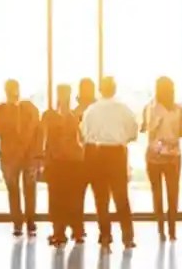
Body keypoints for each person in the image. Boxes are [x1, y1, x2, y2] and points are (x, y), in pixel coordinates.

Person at [80, 76, 137, 250]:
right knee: (121, 196)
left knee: (101, 198)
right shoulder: (123, 109)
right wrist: (122, 140)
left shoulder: (91, 110)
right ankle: (127, 237)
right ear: (115, 88)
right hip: (116, 153)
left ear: (100, 90)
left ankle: (105, 236)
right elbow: (133, 131)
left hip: (95, 153)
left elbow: (84, 133)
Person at [0, 79, 42, 237]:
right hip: (10, 157)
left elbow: (39, 133)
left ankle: (27, 222)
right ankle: (20, 223)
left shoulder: (29, 108)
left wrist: (39, 156)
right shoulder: (0, 110)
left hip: (25, 157)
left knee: (26, 190)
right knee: (16, 190)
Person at [142, 76, 182, 242]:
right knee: (170, 193)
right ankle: (168, 229)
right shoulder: (161, 108)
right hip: (169, 156)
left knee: (161, 194)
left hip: (159, 156)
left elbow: (148, 129)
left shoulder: (153, 108)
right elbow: (149, 128)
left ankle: (165, 229)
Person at [41, 84, 85, 247]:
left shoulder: (58, 116)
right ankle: (71, 231)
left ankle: (64, 231)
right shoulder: (70, 116)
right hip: (66, 161)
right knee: (68, 197)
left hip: (64, 161)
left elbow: (45, 140)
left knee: (61, 197)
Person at [72, 77, 99, 243]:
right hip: (94, 156)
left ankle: (78, 230)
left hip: (80, 158)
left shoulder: (76, 111)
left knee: (78, 196)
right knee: (99, 195)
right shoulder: (96, 110)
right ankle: (102, 232)